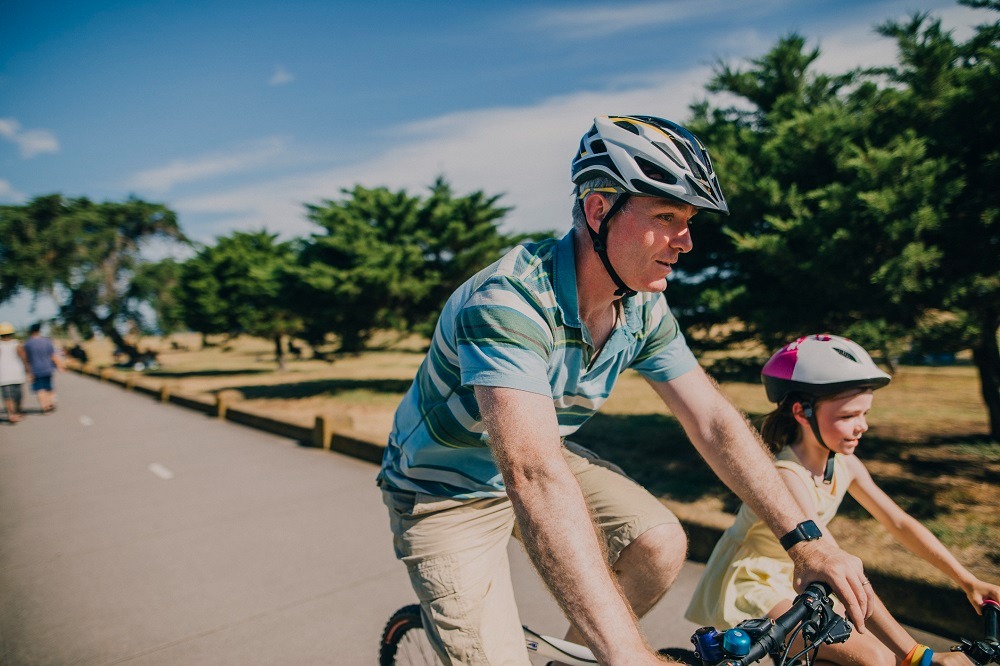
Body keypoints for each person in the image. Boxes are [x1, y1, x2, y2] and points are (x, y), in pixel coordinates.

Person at [377, 115, 875, 665]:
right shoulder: (508, 302)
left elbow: (711, 419)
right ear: (598, 211)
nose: (686, 241)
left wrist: (807, 540)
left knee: (659, 545)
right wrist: (627, 652)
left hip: (534, 458)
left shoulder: (639, 304)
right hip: (445, 493)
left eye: (689, 221)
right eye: (666, 216)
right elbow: (534, 474)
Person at [685, 334, 997, 665]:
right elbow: (835, 565)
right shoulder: (789, 477)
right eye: (848, 416)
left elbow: (899, 522)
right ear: (801, 413)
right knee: (875, 657)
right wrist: (918, 655)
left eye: (865, 413)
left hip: (800, 580)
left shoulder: (844, 462)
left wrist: (967, 580)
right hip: (754, 582)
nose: (861, 426)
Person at [23, 322, 64, 413]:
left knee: (39, 389)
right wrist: (60, 366)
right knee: (49, 387)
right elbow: (53, 355)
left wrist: (28, 372)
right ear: (39, 331)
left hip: (35, 369)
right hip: (47, 368)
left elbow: (26, 359)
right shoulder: (47, 341)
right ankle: (50, 402)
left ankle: (44, 406)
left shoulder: (27, 344)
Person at [0, 322, 30, 423]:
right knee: (18, 395)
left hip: (3, 374)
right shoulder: (17, 344)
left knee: (7, 396)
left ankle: (11, 414)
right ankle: (17, 412)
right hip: (17, 373)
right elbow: (23, 358)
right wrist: (28, 370)